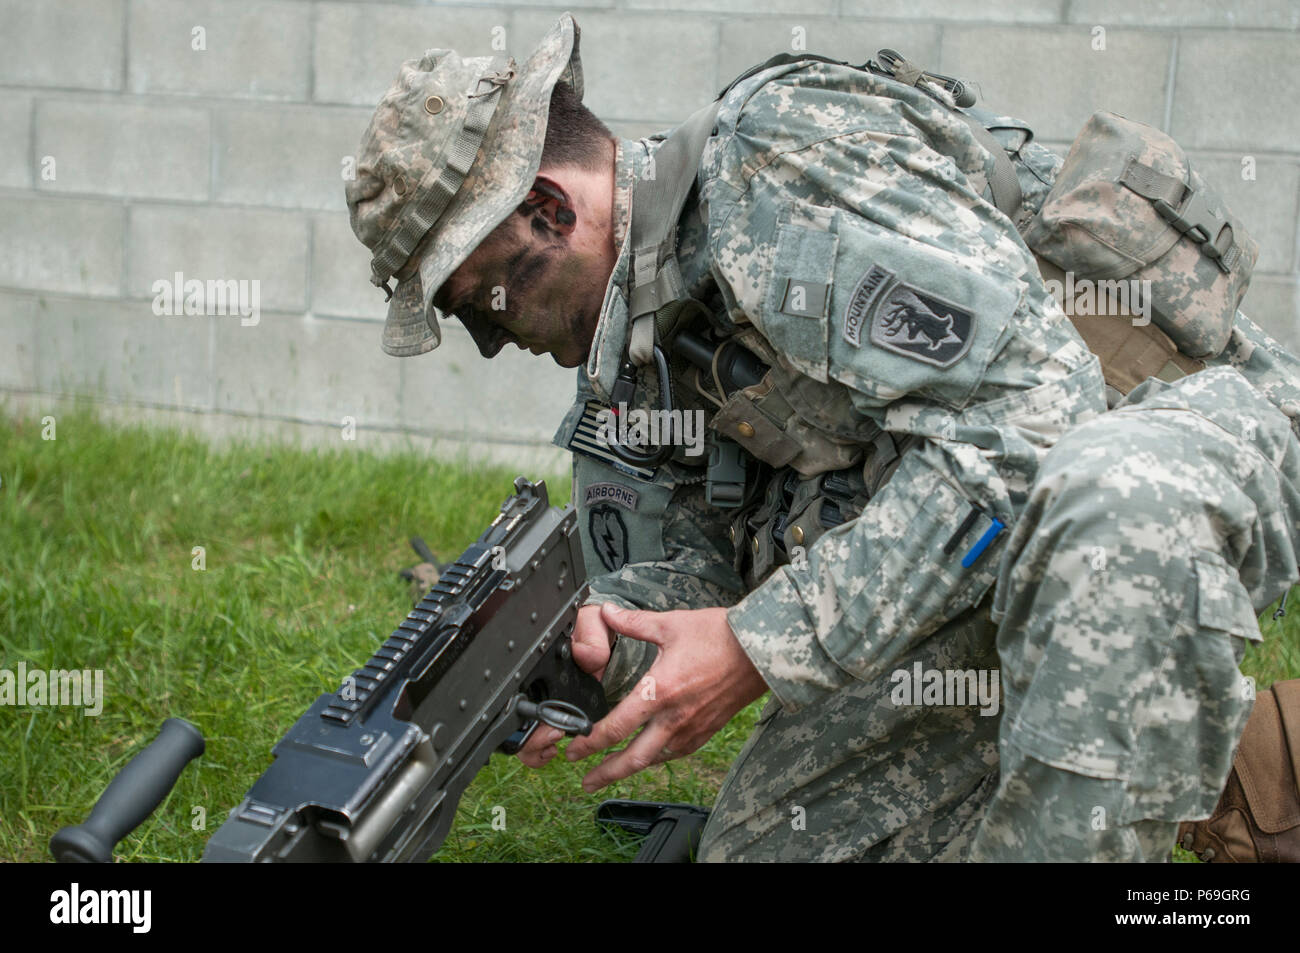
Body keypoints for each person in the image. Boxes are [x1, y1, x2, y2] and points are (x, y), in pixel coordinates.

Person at [346, 14, 1300, 861]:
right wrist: (583, 653)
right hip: (981, 547)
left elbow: (1033, 425)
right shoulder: (641, 349)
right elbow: (704, 570)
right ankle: (1173, 770)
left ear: (550, 211)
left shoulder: (776, 174)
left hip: (1161, 446)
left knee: (1101, 496)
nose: (493, 341)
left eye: (481, 304)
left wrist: (765, 644)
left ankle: (1213, 764)